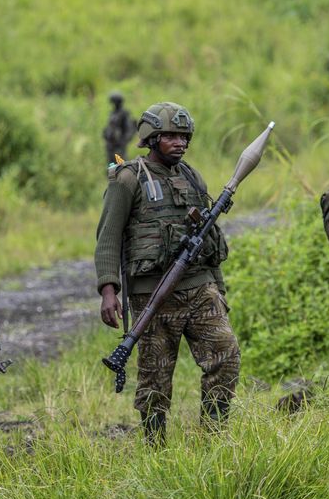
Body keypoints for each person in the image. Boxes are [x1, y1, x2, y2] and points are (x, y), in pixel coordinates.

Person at [95, 102, 239, 444]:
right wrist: (108, 290)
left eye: (184, 136)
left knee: (226, 355)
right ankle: (155, 448)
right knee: (156, 379)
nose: (180, 143)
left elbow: (208, 235)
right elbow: (108, 237)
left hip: (200, 287)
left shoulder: (191, 175)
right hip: (152, 295)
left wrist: (219, 288)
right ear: (152, 138)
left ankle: (213, 438)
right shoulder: (129, 178)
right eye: (171, 136)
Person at [102, 91, 137, 167]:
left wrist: (123, 141)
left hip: (119, 145)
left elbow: (129, 129)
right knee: (111, 166)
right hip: (111, 145)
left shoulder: (124, 113)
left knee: (121, 165)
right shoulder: (113, 113)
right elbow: (110, 127)